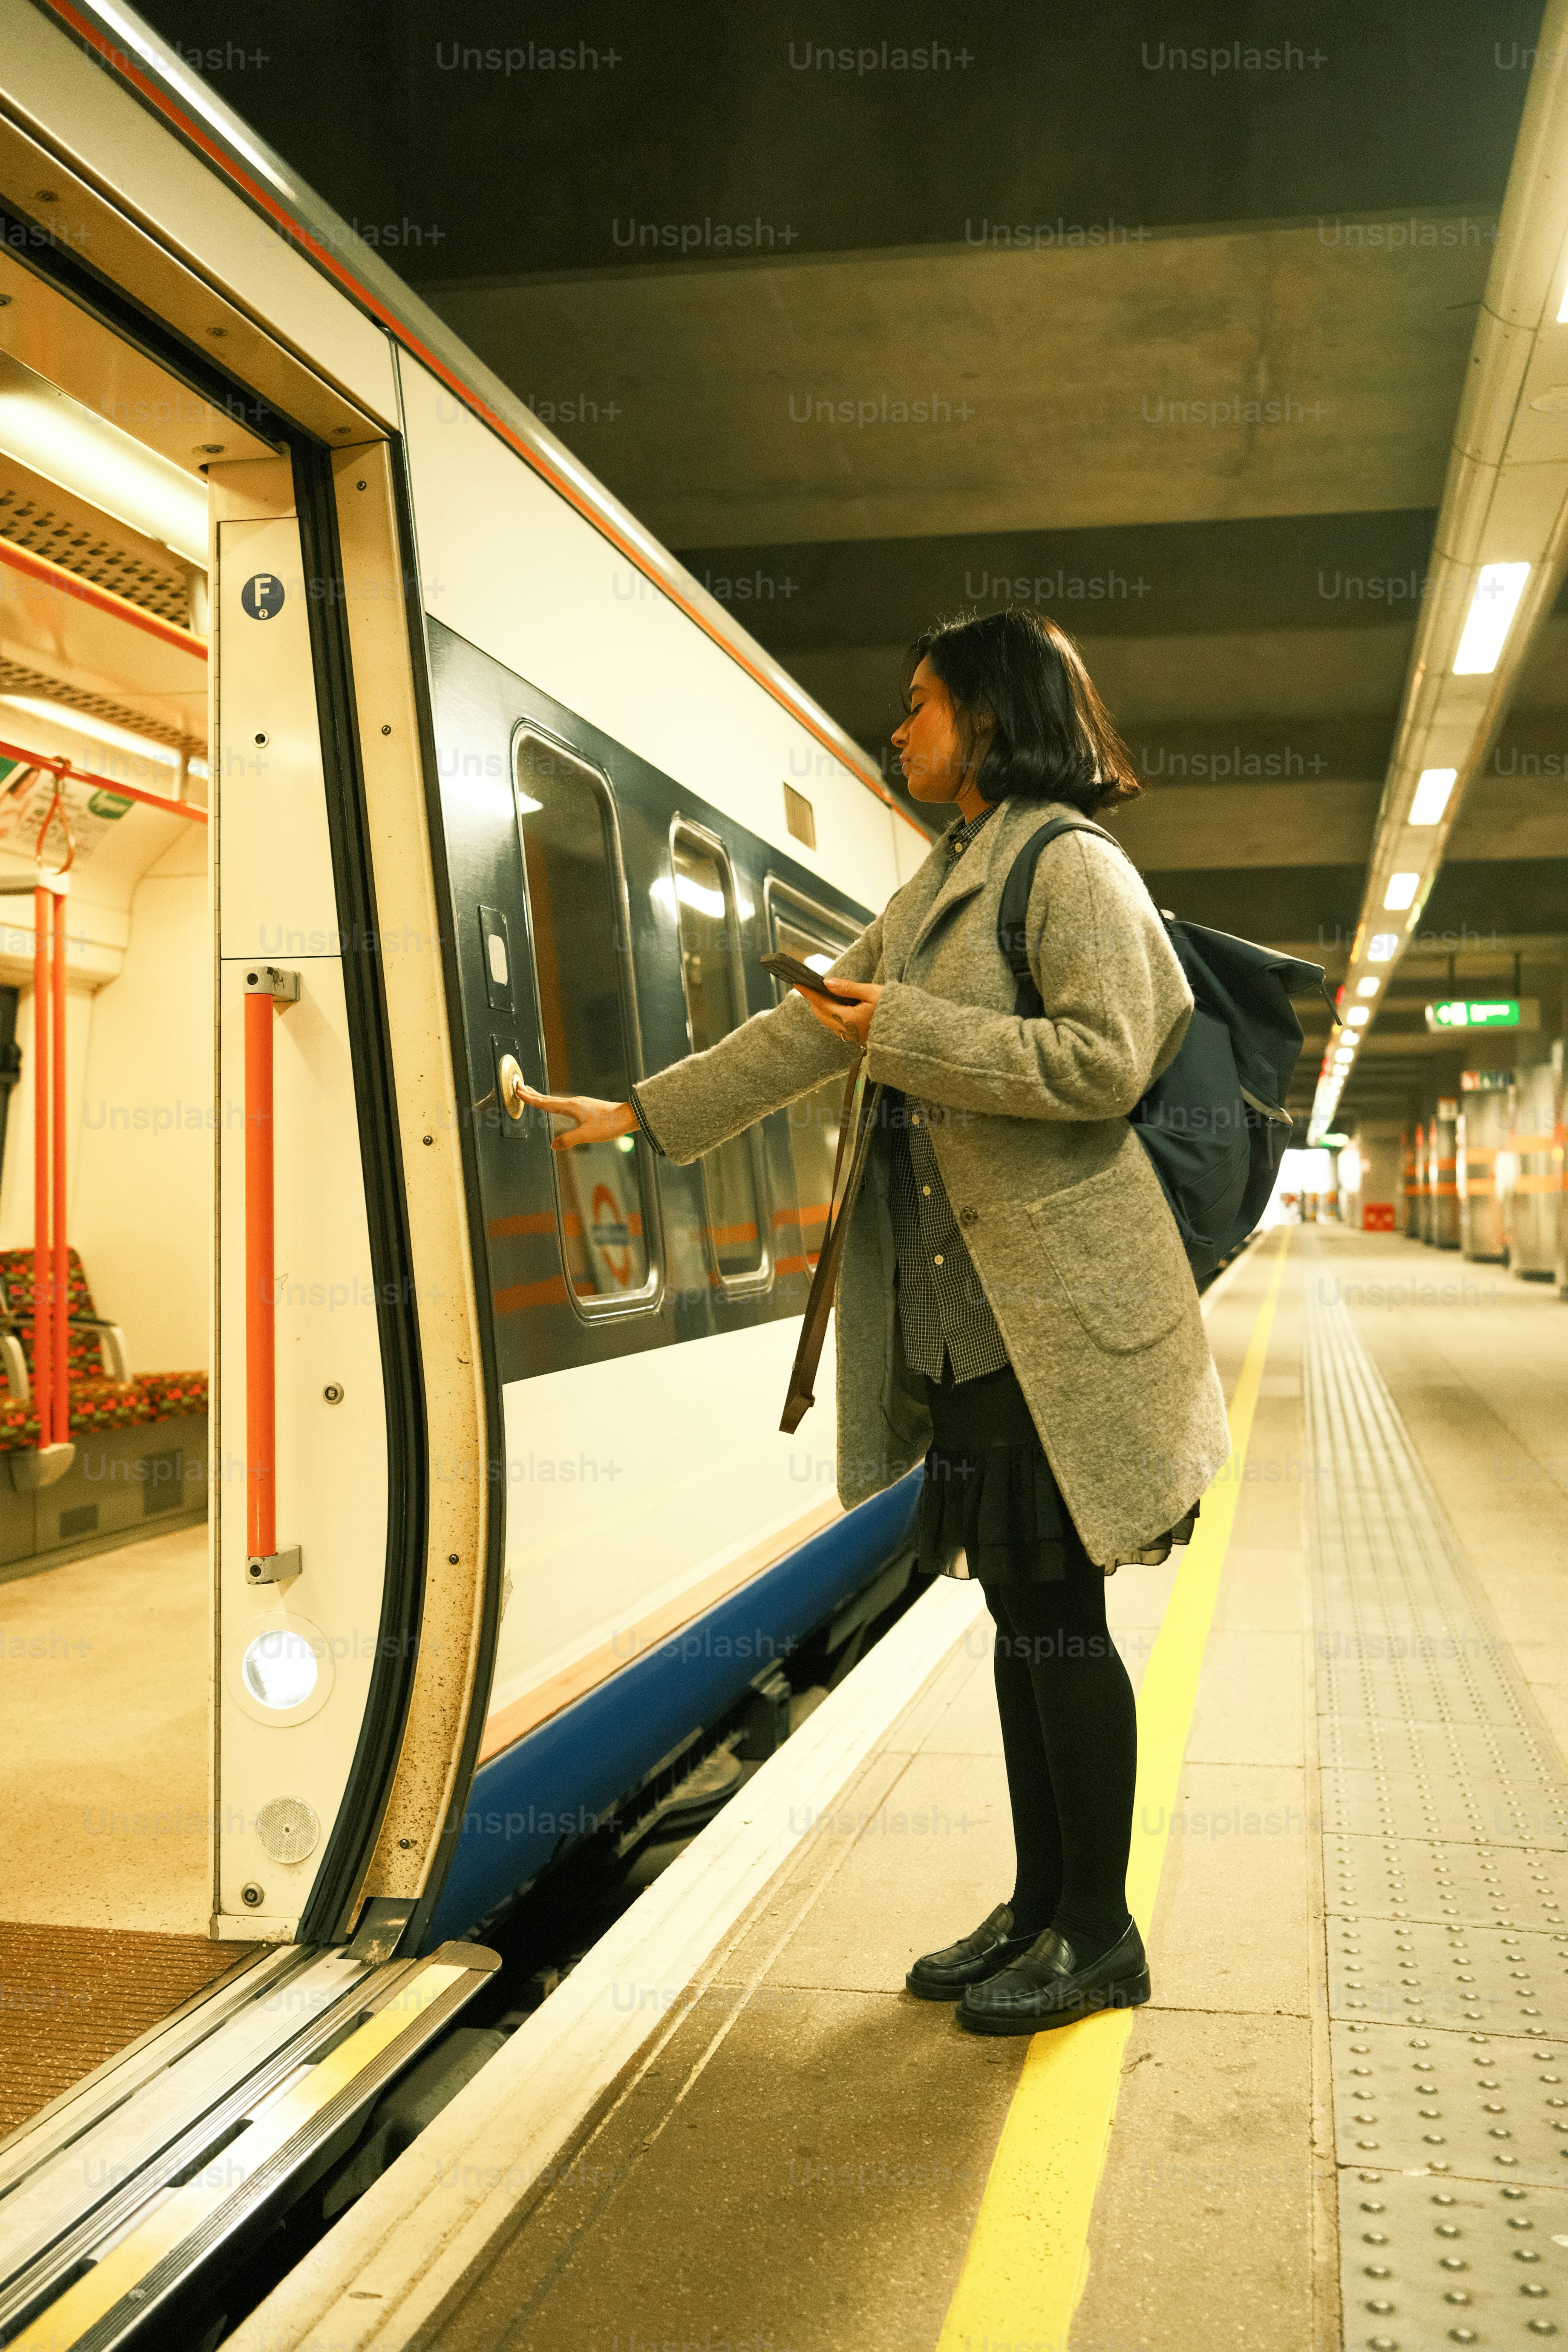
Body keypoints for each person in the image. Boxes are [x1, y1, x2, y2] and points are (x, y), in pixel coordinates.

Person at [517, 609, 1230, 2035]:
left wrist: (900, 1032)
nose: (897, 728)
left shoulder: (1071, 864)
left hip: (1061, 1331)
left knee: (1062, 1629)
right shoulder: (945, 880)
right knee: (1026, 1628)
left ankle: (1102, 1932)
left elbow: (1107, 1060)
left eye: (920, 705)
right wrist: (643, 1115)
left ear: (993, 712)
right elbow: (815, 1023)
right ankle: (1041, 1907)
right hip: (975, 1335)